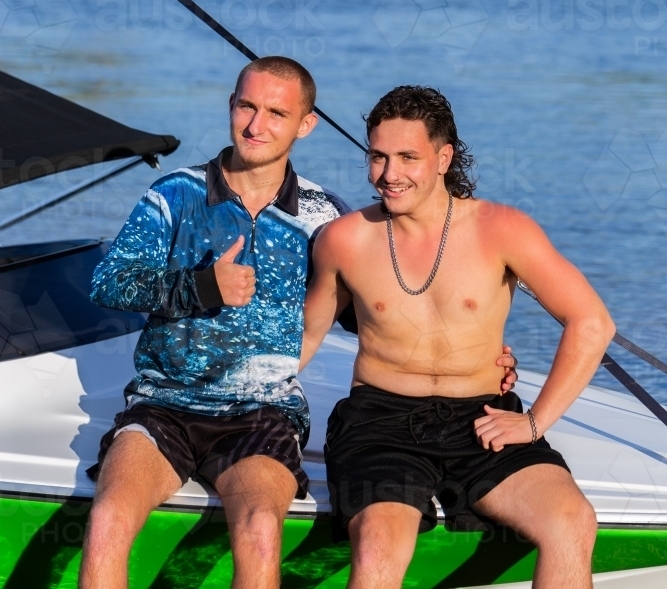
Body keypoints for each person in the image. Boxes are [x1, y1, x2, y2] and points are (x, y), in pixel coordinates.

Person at [301, 85, 616, 589]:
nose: (389, 174)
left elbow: (592, 322)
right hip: (379, 422)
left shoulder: (501, 228)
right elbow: (304, 338)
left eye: (408, 157)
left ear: (443, 157)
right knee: (380, 548)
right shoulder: (344, 239)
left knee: (572, 522)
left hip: (483, 419)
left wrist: (534, 423)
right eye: (378, 157)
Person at [79, 56, 347, 589]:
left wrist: (474, 354)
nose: (256, 125)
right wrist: (202, 287)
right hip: (163, 407)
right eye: (246, 106)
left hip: (261, 411)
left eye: (276, 112)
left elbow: (381, 306)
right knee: (108, 518)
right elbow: (108, 282)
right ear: (231, 106)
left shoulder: (323, 216)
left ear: (305, 124)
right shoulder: (176, 194)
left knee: (260, 528)